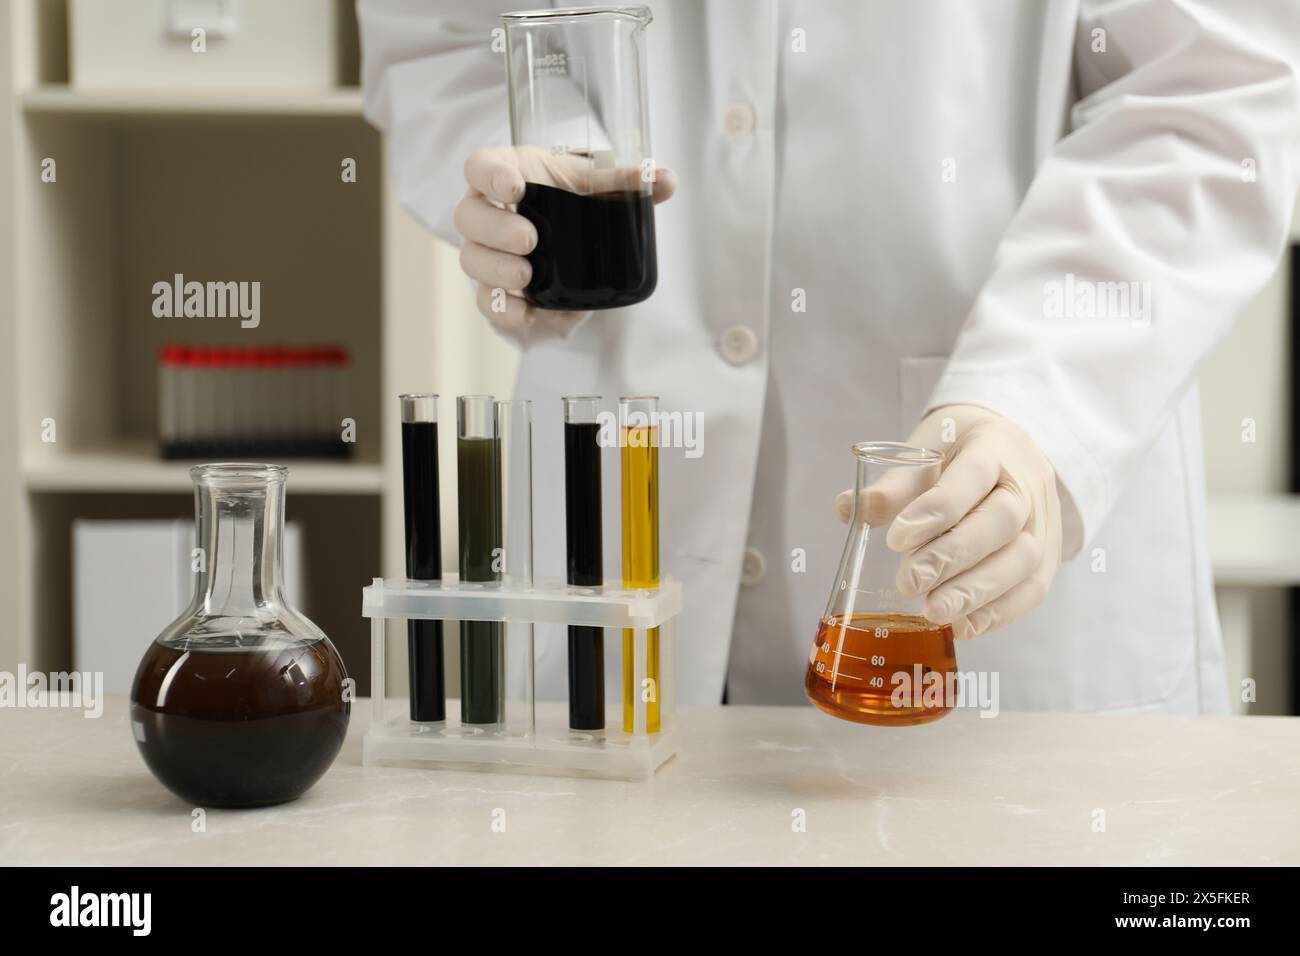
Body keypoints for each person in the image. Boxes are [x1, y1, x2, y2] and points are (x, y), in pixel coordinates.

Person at [358, 0, 1300, 713]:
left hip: (1010, 515)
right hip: (624, 523)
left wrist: (1034, 400)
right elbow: (444, 35)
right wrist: (559, 204)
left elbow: (1209, 90)